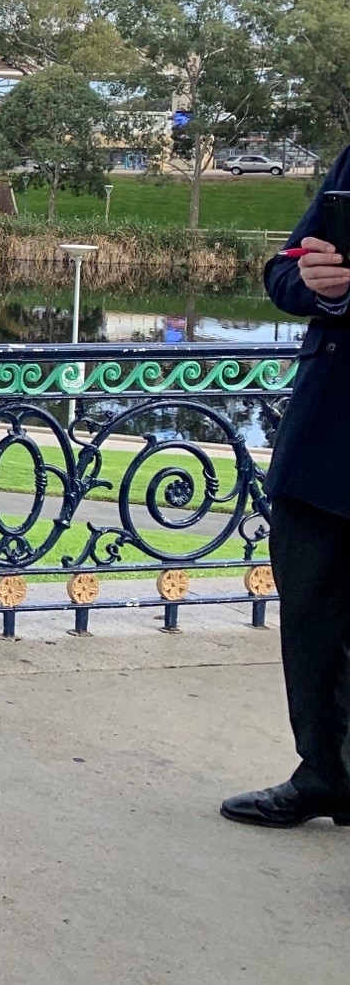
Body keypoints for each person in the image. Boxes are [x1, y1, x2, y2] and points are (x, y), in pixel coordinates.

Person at [222, 143, 350, 829]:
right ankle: (324, 775)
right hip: (327, 440)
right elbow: (283, 272)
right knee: (310, 617)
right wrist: (320, 285)